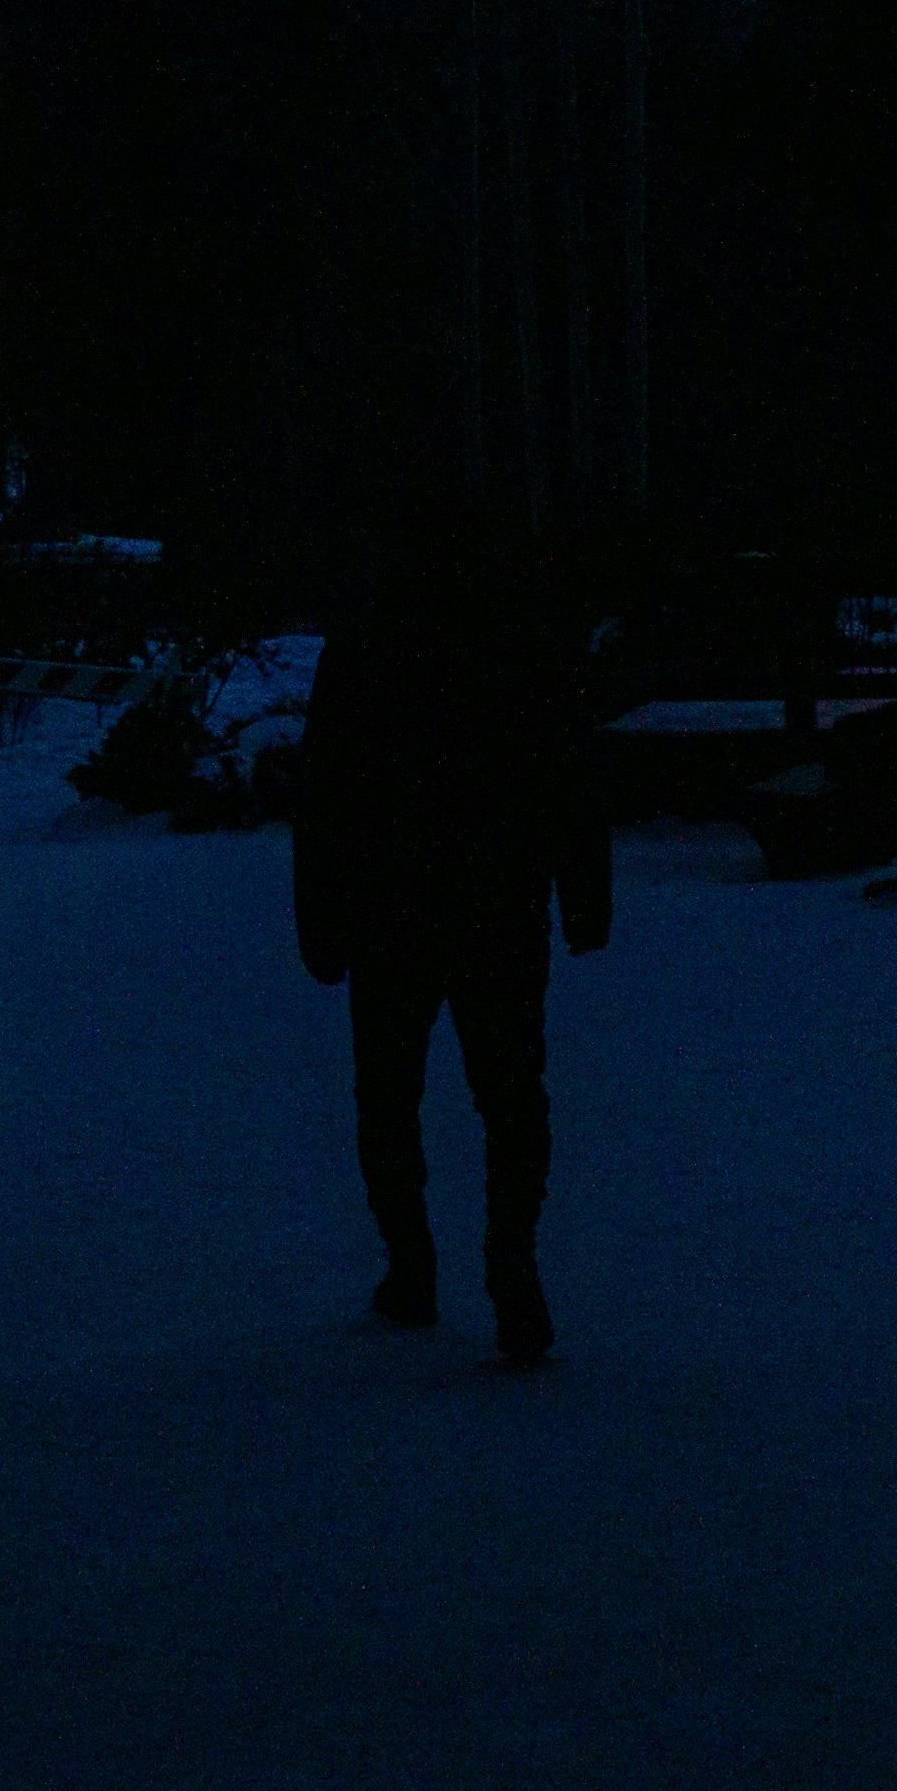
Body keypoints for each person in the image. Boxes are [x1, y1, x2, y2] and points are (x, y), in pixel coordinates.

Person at [290, 557, 608, 1365]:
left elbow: (322, 786)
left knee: (391, 1094)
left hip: (389, 905)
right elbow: (569, 767)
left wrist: (322, 917)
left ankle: (412, 1264)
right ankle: (510, 1261)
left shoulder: (366, 643)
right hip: (496, 901)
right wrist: (582, 891)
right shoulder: (520, 641)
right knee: (509, 1096)